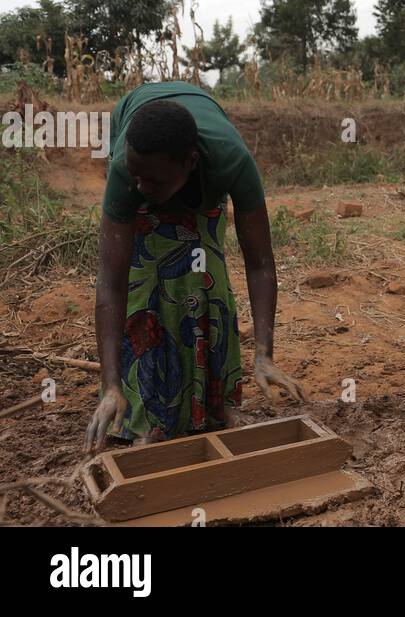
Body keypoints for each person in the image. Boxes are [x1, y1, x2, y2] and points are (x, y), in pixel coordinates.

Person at [85, 81, 306, 453]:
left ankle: (215, 406)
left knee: (206, 276)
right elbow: (112, 281)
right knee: (145, 282)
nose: (141, 187)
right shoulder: (128, 171)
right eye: (136, 176)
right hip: (147, 142)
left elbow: (260, 263)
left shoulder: (230, 160)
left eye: (153, 180)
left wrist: (264, 354)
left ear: (190, 162)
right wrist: (109, 383)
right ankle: (142, 413)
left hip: (202, 173)